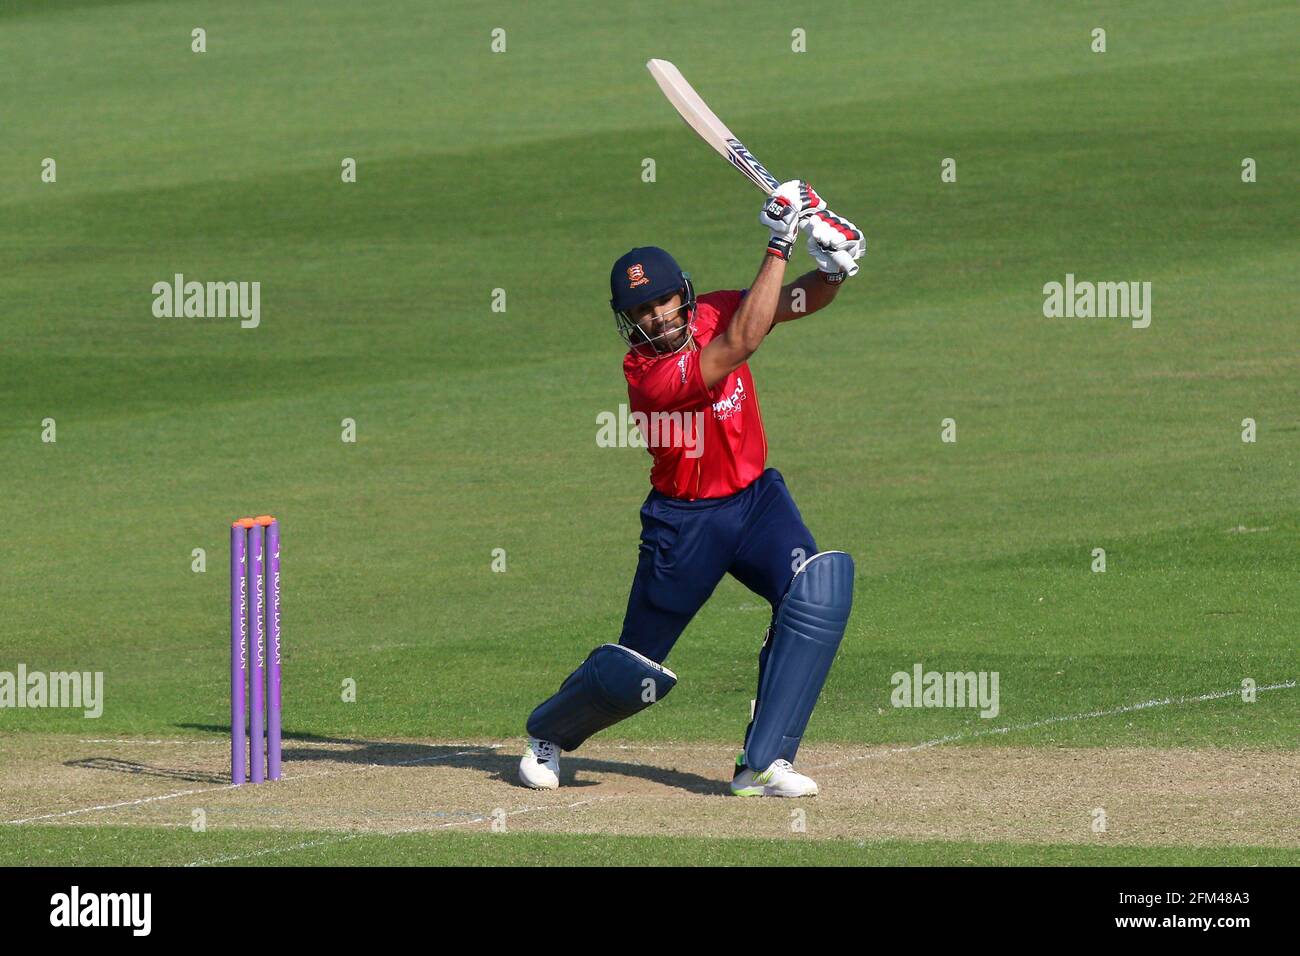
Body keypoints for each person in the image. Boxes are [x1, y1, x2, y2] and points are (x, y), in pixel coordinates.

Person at [520, 181, 865, 796]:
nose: (653, 318)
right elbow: (744, 340)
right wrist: (780, 241)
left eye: (661, 303)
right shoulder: (649, 377)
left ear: (682, 296)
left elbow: (787, 305)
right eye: (640, 312)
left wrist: (834, 270)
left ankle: (764, 762)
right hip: (687, 524)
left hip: (758, 503)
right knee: (635, 670)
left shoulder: (709, 311)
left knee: (818, 591)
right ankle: (547, 733)